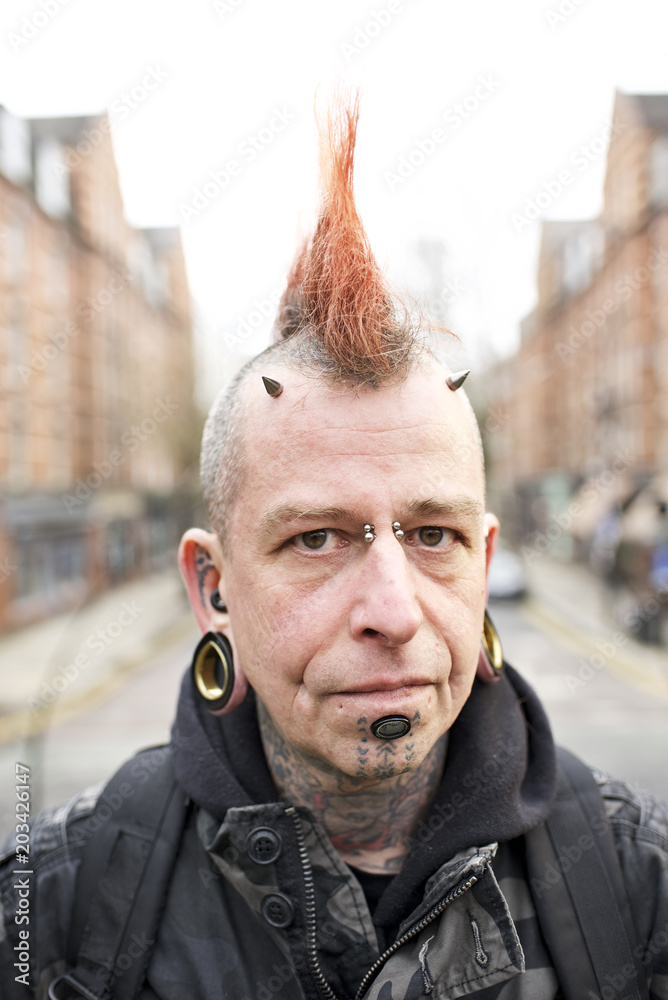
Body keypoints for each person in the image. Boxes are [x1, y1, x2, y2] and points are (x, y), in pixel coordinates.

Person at [2, 95, 668, 1000]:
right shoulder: (52, 914)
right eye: (316, 538)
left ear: (484, 557)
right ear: (213, 586)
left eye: (435, 535)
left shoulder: (639, 889)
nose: (393, 611)